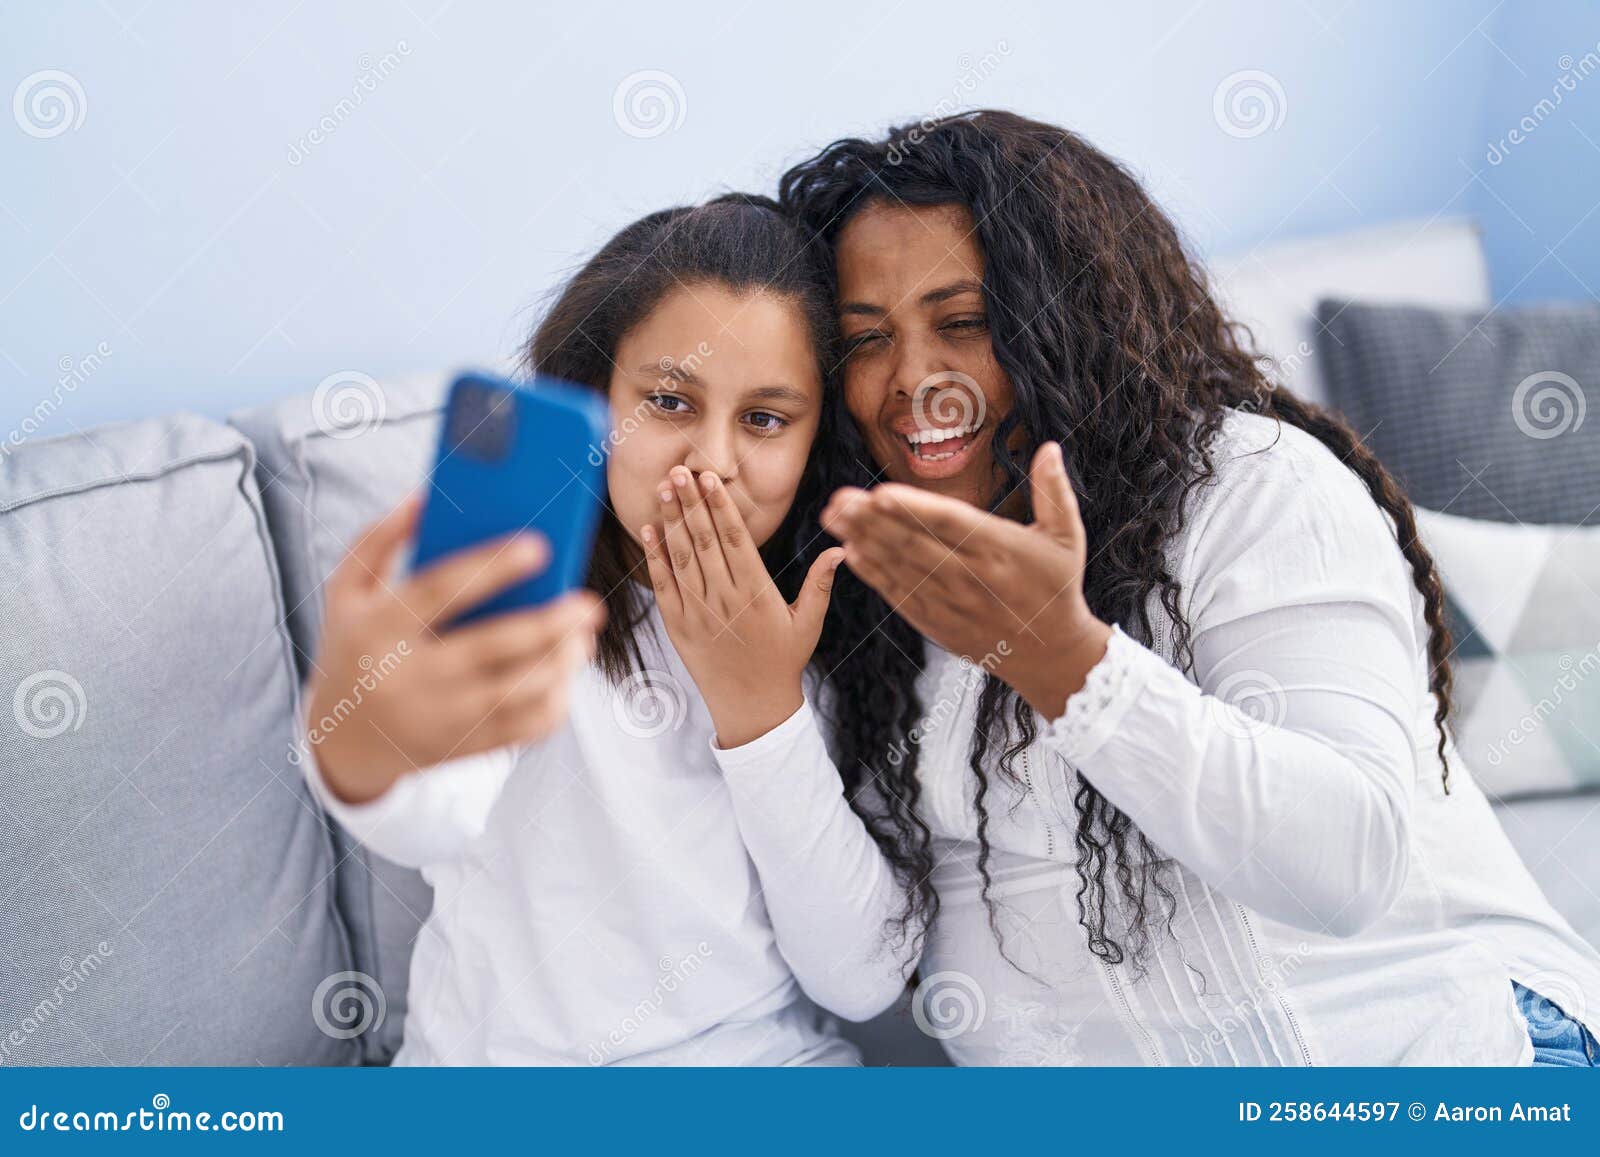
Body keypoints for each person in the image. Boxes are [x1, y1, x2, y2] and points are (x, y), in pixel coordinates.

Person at [765, 110, 1600, 1066]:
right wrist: (758, 715)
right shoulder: (867, 580)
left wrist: (1072, 667)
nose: (914, 380)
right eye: (867, 340)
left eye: (966, 322)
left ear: (1070, 323)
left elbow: (1349, 864)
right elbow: (868, 961)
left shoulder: (1251, 485)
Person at [299, 194, 912, 1065]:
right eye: (668, 402)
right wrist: (366, 740)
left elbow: (863, 978)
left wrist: (764, 712)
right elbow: (429, 816)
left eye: (765, 420)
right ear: (598, 398)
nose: (710, 462)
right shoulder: (522, 589)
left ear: (819, 444)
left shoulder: (840, 624)